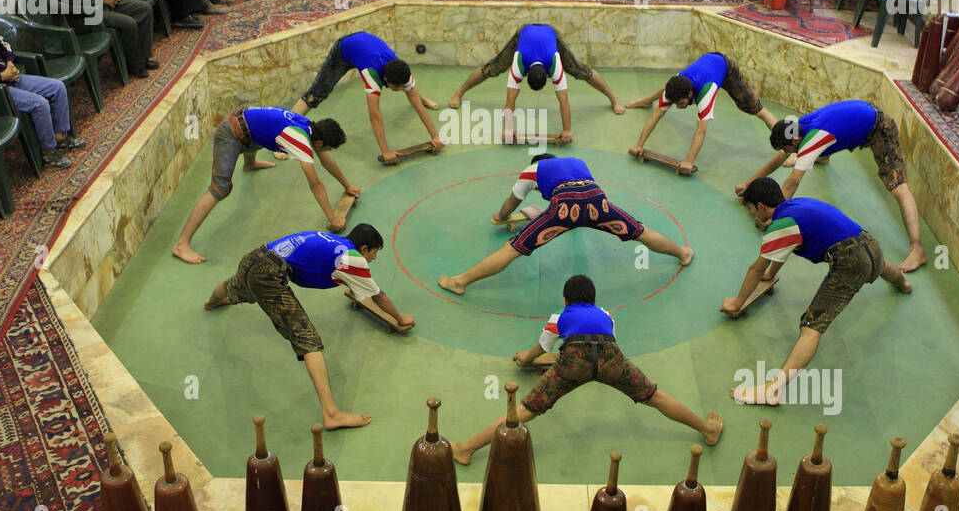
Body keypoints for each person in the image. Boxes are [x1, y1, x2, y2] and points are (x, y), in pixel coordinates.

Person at [451, 274, 723, 464]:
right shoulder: (606, 315)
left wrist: (525, 359)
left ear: (566, 301)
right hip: (611, 358)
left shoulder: (559, 318)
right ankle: (707, 429)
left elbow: (542, 350)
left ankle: (465, 449)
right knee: (655, 396)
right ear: (594, 300)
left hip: (573, 363)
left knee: (525, 410)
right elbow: (610, 341)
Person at [722, 177, 911, 405]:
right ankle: (904, 283)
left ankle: (773, 389)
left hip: (850, 262)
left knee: (811, 326)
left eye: (752, 209)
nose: (752, 213)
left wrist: (737, 303)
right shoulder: (798, 205)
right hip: (870, 245)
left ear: (760, 206)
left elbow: (756, 268)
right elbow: (786, 249)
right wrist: (771, 275)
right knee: (880, 266)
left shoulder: (782, 225)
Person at [205, 224, 413, 430]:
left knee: (234, 284)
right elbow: (378, 296)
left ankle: (212, 302)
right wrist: (399, 317)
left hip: (255, 257)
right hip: (269, 274)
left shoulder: (332, 240)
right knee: (308, 339)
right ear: (365, 248)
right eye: (374, 253)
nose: (373, 258)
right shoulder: (352, 258)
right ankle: (332, 414)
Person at [438, 153, 693, 295]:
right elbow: (583, 196)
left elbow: (511, 202)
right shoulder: (576, 161)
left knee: (512, 248)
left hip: (563, 207)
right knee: (640, 231)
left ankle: (460, 281)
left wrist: (502, 216)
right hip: (597, 200)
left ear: (536, 162)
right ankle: (682, 253)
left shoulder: (531, 171)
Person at [735, 98, 927, 272]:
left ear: (795, 140)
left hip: (877, 126)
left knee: (898, 188)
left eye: (788, 148)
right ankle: (822, 158)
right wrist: (749, 183)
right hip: (857, 118)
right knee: (813, 148)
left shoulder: (812, 139)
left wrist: (776, 218)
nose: (787, 152)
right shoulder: (797, 129)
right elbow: (780, 157)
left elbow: (792, 182)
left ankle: (917, 249)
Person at [172, 106, 356, 264]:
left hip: (248, 130)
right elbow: (315, 184)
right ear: (320, 142)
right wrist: (332, 218)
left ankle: (249, 163)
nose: (327, 151)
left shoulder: (309, 126)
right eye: (328, 147)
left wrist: (347, 186)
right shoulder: (300, 139)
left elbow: (326, 160)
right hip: (231, 133)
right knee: (220, 189)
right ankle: (182, 244)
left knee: (264, 135)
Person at [0, 0, 85, 169]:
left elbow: (5, 46)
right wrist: (1, 76)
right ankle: (48, 151)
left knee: (57, 87)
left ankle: (60, 137)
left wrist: (9, 64)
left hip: (10, 78)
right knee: (39, 104)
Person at [446, 23, 626, 143]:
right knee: (492, 68)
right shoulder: (518, 62)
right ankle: (459, 92)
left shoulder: (555, 64)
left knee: (581, 71)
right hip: (524, 33)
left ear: (549, 75)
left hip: (550, 34)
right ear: (524, 74)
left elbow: (564, 100)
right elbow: (510, 100)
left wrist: (567, 130)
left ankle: (613, 98)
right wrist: (507, 130)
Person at [292, 31, 443, 164]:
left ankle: (416, 94)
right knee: (316, 94)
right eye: (396, 87)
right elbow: (375, 115)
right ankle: (285, 126)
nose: (398, 90)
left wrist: (435, 136)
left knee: (412, 93)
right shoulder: (372, 74)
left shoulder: (401, 70)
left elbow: (417, 105)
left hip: (365, 47)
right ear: (384, 79)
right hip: (344, 51)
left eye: (402, 86)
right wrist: (386, 151)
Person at [628, 53, 778, 174]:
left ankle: (787, 144)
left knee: (757, 110)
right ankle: (647, 101)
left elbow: (701, 131)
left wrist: (688, 161)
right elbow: (655, 117)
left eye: (681, 103)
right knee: (664, 93)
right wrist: (639, 145)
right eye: (675, 104)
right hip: (706, 65)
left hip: (726, 68)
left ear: (690, 94)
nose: (678, 108)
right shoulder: (674, 85)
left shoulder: (706, 92)